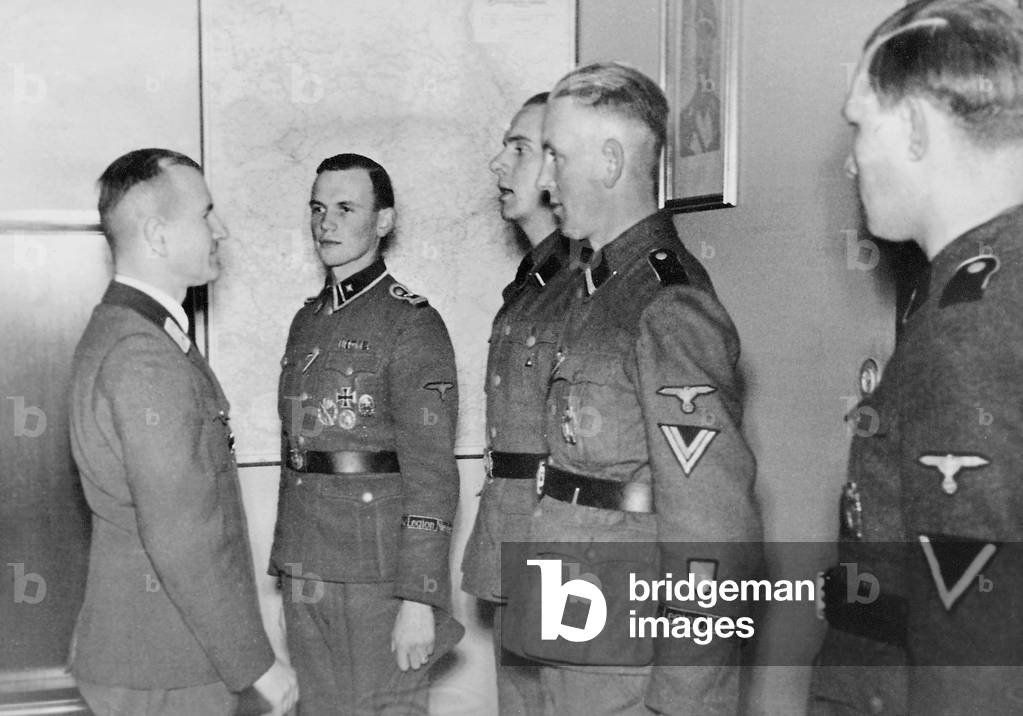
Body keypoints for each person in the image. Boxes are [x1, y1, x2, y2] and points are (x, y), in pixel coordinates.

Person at [504, 62, 763, 715]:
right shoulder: (592, 293)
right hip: (576, 612)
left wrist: (682, 697)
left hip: (630, 647)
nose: (543, 179)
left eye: (556, 157)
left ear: (611, 161)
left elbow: (713, 528)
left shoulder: (666, 303)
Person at [811, 2, 1023, 714]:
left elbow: (970, 635)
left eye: (858, 125)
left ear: (914, 128)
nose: (849, 159)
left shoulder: (967, 331)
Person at [69, 148, 298, 716]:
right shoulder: (144, 356)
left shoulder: (133, 332)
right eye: (205, 213)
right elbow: (184, 534)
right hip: (168, 667)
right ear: (158, 235)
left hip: (155, 656)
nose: (220, 229)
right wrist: (255, 665)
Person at [270, 153, 464, 714]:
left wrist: (419, 599)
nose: (325, 223)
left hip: (378, 572)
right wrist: (289, 567)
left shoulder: (413, 323)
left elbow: (432, 475)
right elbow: (299, 457)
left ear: (383, 222)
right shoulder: (307, 319)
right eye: (317, 208)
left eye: (345, 208)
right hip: (308, 565)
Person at [461, 91, 574, 715]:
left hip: (560, 544)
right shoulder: (532, 283)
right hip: (516, 534)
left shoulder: (588, 286)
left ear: (559, 166)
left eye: (520, 149)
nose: (498, 166)